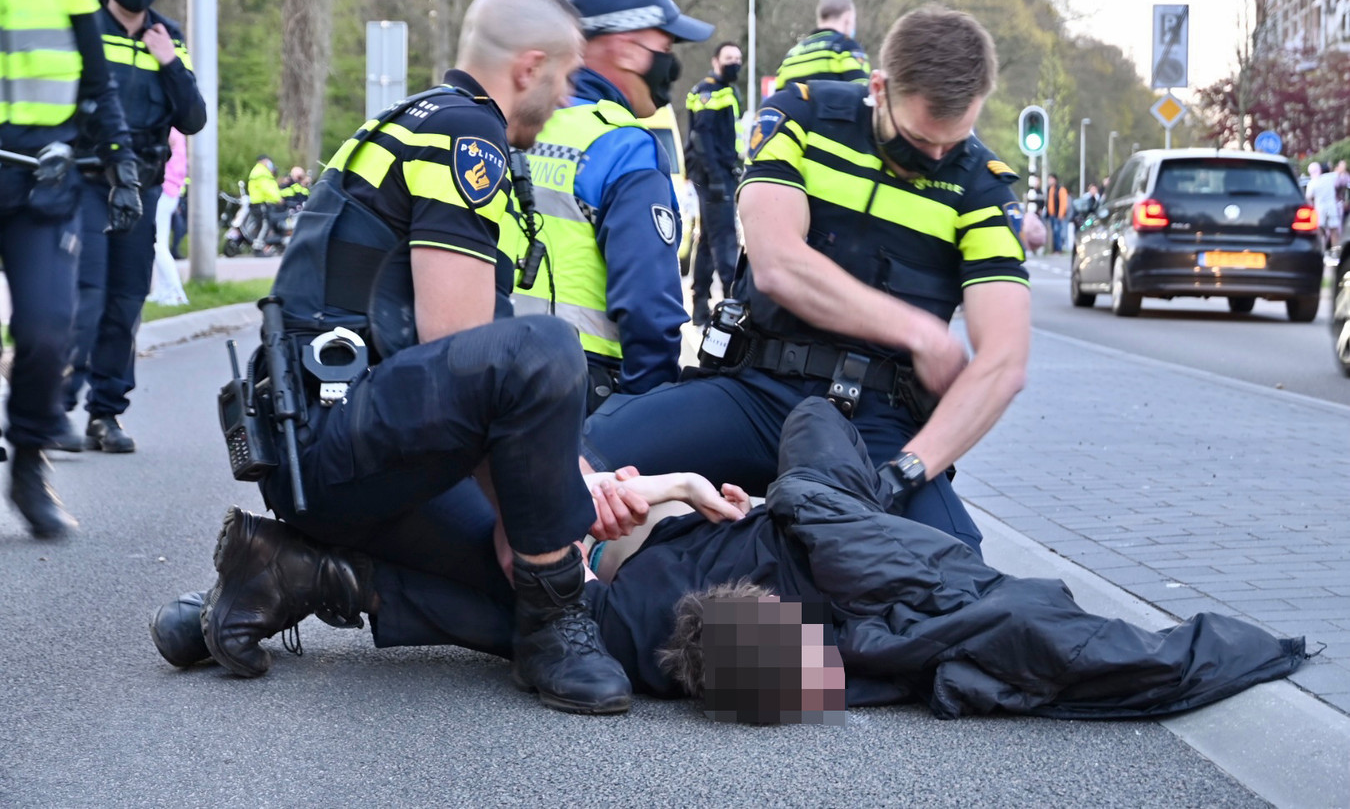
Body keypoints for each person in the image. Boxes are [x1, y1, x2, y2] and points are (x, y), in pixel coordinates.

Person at [150, 398, 1305, 723]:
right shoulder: (653, 647)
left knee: (516, 592)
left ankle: (285, 572)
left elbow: (809, 428)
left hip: (613, 541)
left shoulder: (791, 557)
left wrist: (709, 490)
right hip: (610, 556)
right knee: (506, 611)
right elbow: (1075, 647)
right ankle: (293, 574)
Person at [194, 0, 639, 715]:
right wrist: (550, 527)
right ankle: (554, 617)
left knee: (549, 599)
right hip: (344, 445)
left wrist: (561, 492)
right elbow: (465, 348)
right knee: (547, 350)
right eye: (564, 78)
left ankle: (278, 576)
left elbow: (463, 381)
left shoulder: (416, 120)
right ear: (529, 68)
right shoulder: (465, 133)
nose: (566, 98)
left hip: (342, 450)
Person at [581, 6, 1032, 555]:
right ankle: (572, 601)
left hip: (875, 427)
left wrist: (907, 473)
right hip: (755, 392)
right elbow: (778, 265)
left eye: (953, 144)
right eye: (917, 142)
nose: (934, 160)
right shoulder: (800, 116)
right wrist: (918, 332)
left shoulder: (981, 187)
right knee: (577, 463)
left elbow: (1003, 362)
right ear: (879, 88)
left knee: (955, 577)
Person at [497, 0, 708, 410]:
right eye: (666, 49)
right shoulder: (621, 143)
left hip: (484, 377)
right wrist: (644, 418)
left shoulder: (500, 124)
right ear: (626, 49)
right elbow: (650, 308)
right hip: (582, 393)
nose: (671, 66)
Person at [0, 0, 141, 538]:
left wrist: (123, 168)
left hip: (39, 189)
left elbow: (99, 84)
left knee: (50, 330)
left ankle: (28, 462)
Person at [54, 0, 206, 454]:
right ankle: (58, 404)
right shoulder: (84, 29)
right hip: (88, 181)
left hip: (141, 187)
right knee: (89, 295)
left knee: (125, 302)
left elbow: (192, 118)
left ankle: (106, 415)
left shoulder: (170, 36)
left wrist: (169, 62)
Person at [685, 41, 744, 327]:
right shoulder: (708, 92)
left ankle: (699, 305)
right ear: (715, 61)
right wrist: (718, 179)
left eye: (738, 58)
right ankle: (735, 304)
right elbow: (702, 140)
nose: (735, 62)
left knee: (708, 240)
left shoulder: (727, 91)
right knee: (724, 240)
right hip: (713, 178)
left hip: (720, 174)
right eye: (729, 58)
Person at [773, 0, 870, 91]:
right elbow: (862, 94)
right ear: (848, 17)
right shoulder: (846, 47)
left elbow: (778, 101)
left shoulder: (790, 57)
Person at [147, 127, 188, 306]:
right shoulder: (178, 133)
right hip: (171, 189)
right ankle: (163, 291)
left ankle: (176, 293)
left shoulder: (169, 130)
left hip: (164, 188)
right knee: (158, 243)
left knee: (158, 245)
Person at [1307, 160, 1340, 253]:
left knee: (1320, 232)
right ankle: (1335, 252)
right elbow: (1339, 173)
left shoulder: (1312, 182)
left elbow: (1308, 197)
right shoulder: (1330, 177)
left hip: (1319, 209)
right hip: (1331, 207)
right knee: (1334, 231)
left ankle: (1322, 251)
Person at [1043, 172, 1070, 254]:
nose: (1050, 181)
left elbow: (1063, 203)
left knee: (1057, 232)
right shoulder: (1050, 189)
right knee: (1054, 233)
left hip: (1058, 215)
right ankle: (1054, 249)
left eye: (1051, 179)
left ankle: (1059, 249)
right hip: (1051, 214)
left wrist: (1061, 214)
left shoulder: (1061, 189)